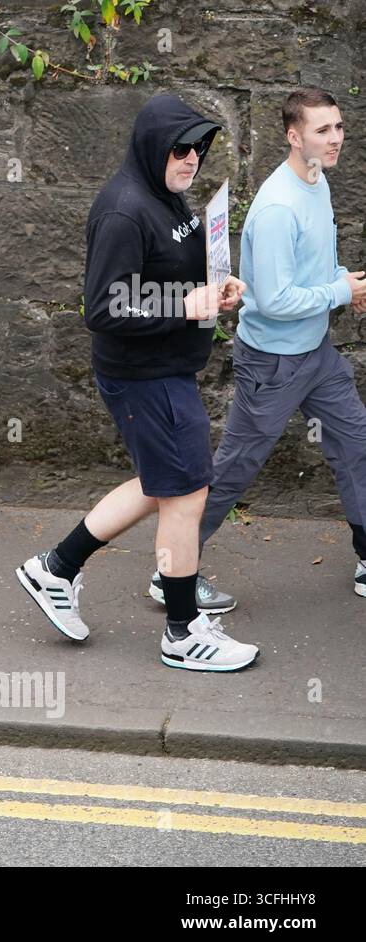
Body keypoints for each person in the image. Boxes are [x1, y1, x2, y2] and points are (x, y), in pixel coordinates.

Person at [15, 95, 260, 672]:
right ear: (153, 147)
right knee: (187, 491)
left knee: (163, 483)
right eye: (181, 148)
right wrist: (185, 303)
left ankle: (56, 568)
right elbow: (102, 307)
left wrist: (217, 288)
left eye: (201, 148)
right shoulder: (124, 210)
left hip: (166, 371)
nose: (192, 159)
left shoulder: (166, 194)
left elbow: (171, 270)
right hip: (146, 377)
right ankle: (182, 631)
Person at [156, 88, 366, 604]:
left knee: (356, 444)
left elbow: (308, 270)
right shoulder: (277, 206)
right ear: (294, 137)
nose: (335, 138)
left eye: (338, 127)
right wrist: (341, 291)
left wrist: (343, 280)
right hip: (272, 364)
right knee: (233, 470)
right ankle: (171, 574)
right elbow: (272, 300)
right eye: (323, 130)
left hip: (316, 354)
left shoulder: (317, 181)